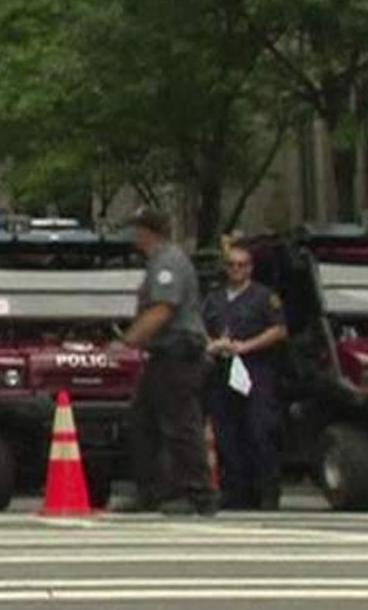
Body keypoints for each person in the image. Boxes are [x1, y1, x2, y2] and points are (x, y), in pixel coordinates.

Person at [112, 206, 216, 516]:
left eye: (136, 228)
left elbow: (162, 310)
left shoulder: (168, 262)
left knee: (181, 425)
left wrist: (128, 341)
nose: (132, 235)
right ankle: (153, 491)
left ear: (147, 231)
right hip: (164, 355)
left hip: (178, 353)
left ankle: (199, 494)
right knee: (143, 422)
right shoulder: (158, 261)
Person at [200, 244, 288, 511]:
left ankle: (268, 491)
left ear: (250, 268)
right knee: (227, 431)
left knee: (259, 429)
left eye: (242, 265)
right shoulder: (214, 299)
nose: (236, 270)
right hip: (222, 369)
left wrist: (246, 346)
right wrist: (211, 344)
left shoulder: (264, 297)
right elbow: (200, 325)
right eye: (231, 265)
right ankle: (235, 491)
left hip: (256, 369)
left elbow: (279, 330)